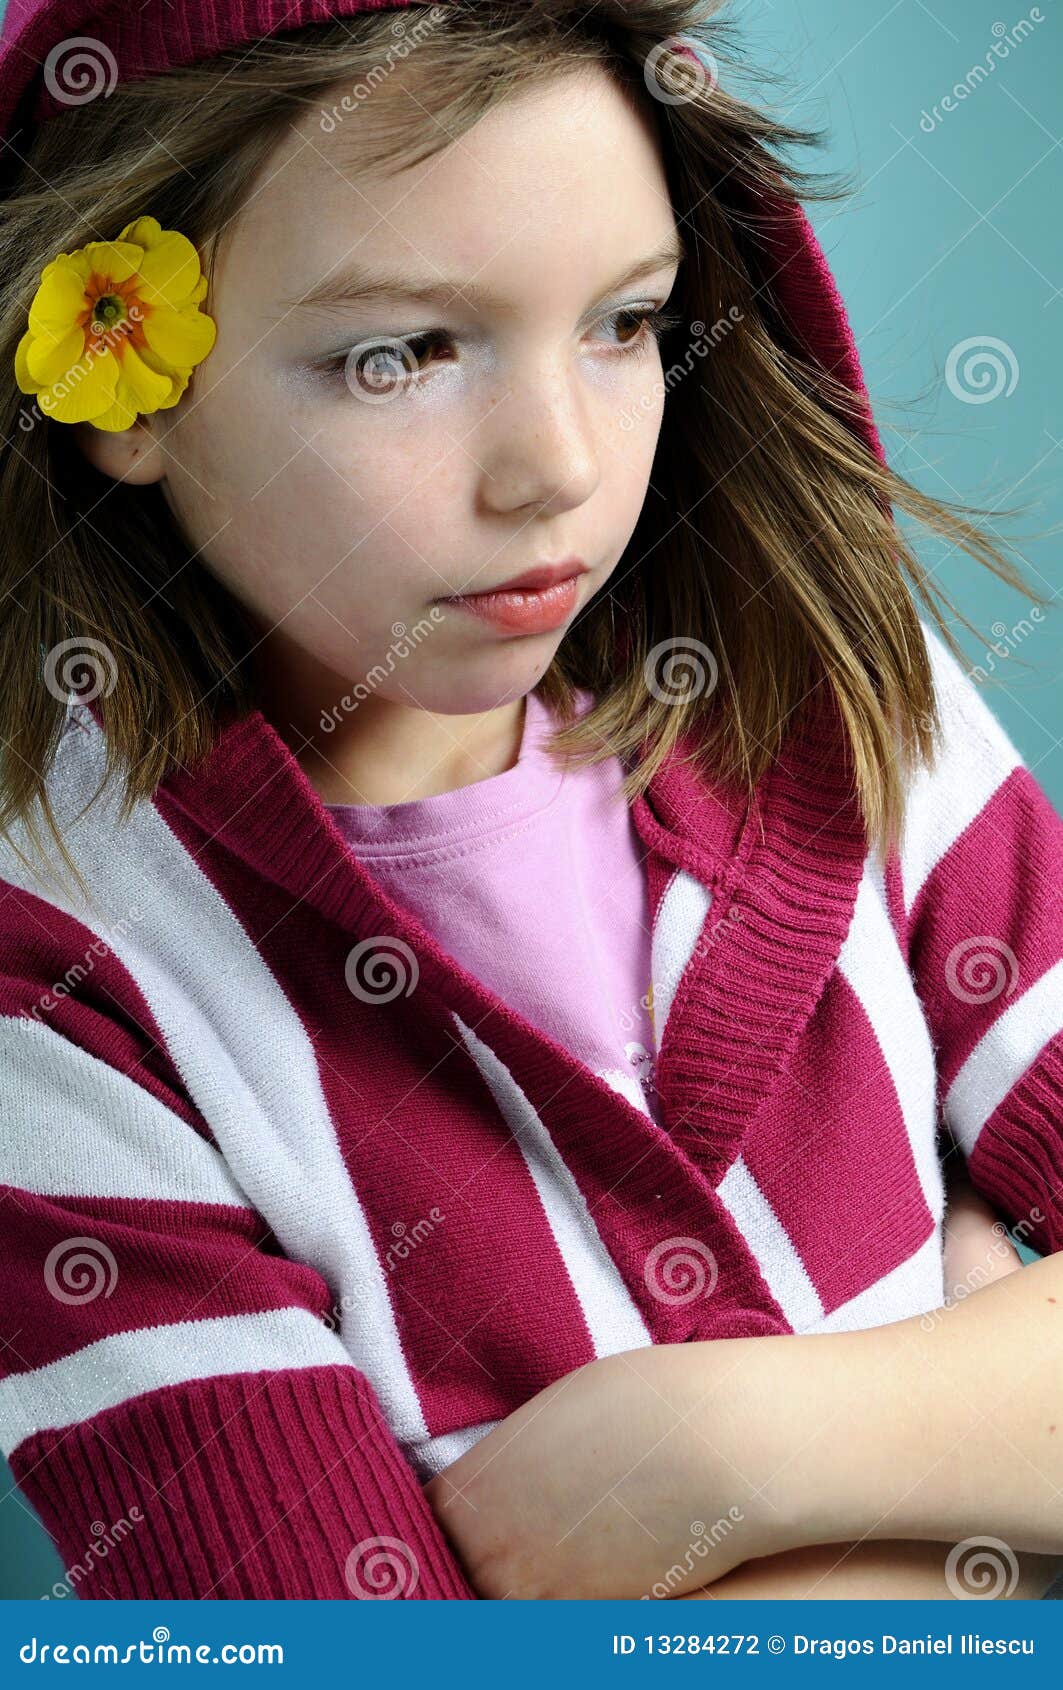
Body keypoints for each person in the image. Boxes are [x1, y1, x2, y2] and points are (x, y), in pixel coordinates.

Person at [0, 0, 1060, 1602]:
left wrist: (737, 1452)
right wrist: (992, 1431)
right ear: (126, 380)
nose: (555, 466)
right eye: (402, 352)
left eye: (626, 321)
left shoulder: (827, 680)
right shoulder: (60, 992)